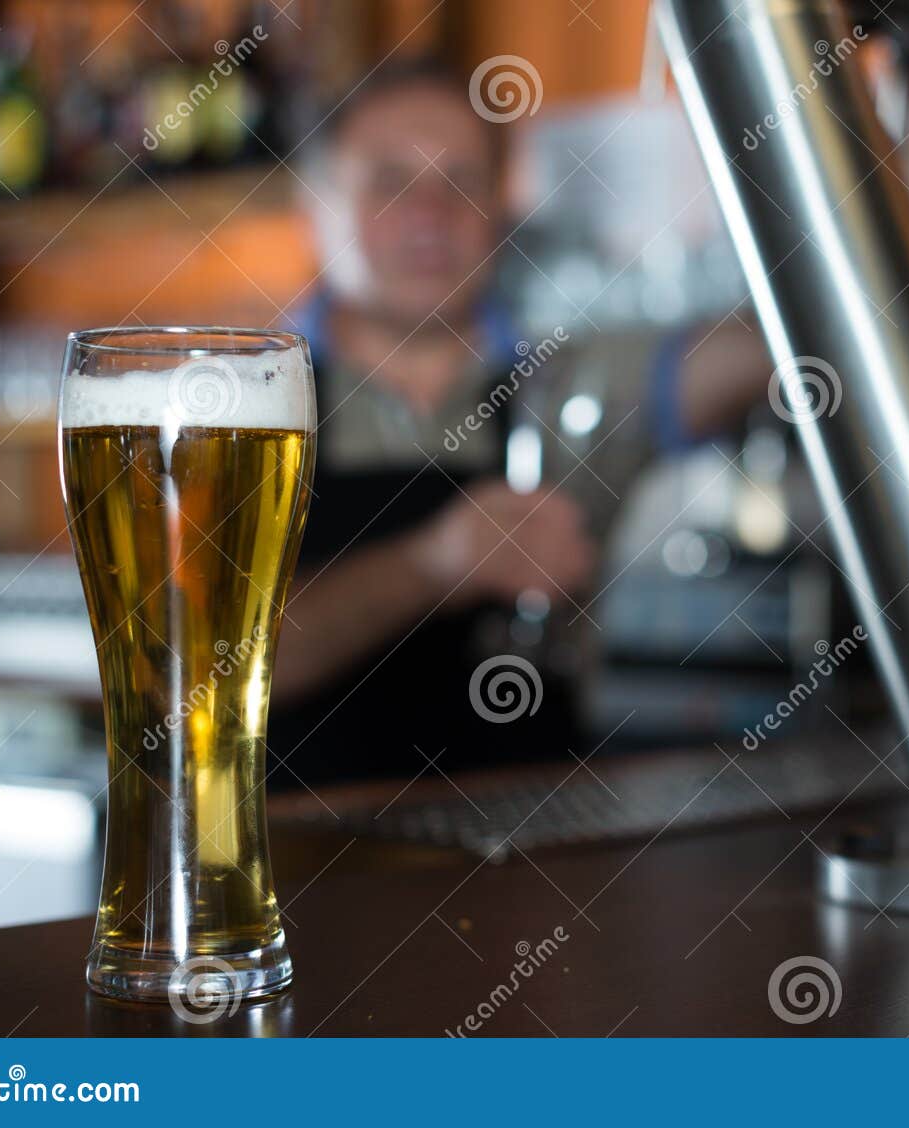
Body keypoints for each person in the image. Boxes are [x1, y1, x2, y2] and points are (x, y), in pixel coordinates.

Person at [268, 61, 769, 787]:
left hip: (529, 860)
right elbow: (203, 670)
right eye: (389, 181)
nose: (429, 214)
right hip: (296, 860)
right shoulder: (242, 403)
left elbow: (786, 343)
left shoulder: (571, 386)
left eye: (461, 182)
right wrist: (436, 564)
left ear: (500, 208)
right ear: (313, 202)